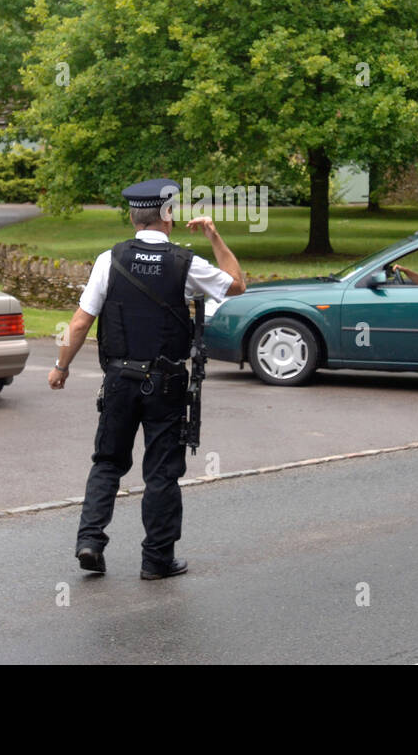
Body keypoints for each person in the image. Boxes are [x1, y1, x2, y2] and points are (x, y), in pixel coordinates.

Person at [48, 178, 247, 580]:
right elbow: (237, 285)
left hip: (119, 379)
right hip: (166, 382)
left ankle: (89, 541)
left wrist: (61, 365)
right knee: (161, 472)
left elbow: (82, 320)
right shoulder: (185, 263)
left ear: (133, 216)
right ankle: (156, 560)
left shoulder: (111, 259)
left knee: (107, 462)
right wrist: (214, 235)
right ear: (168, 215)